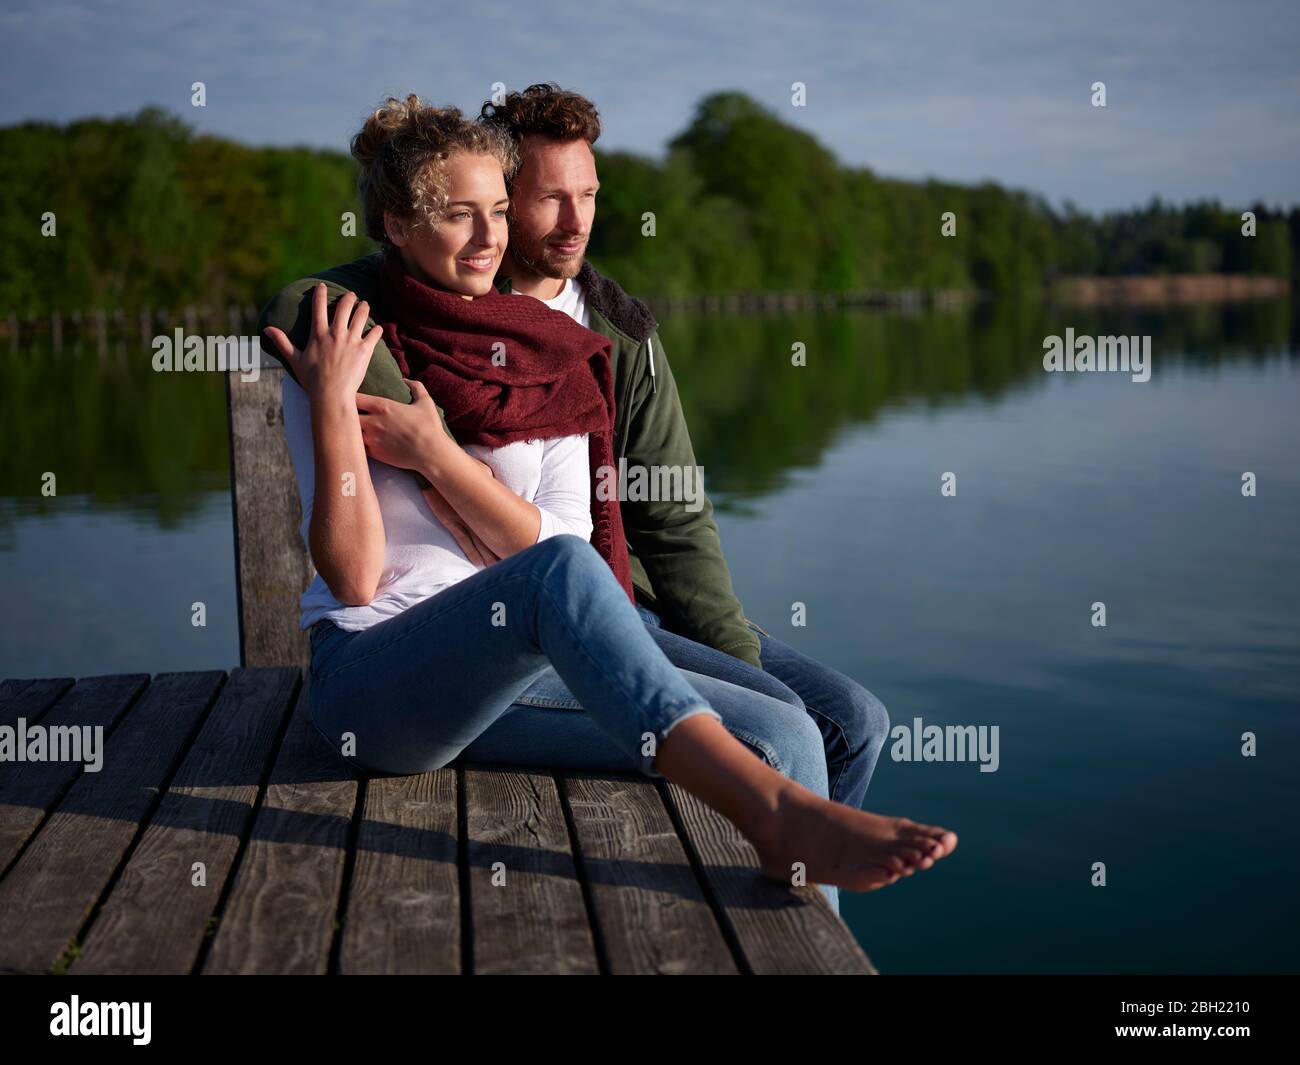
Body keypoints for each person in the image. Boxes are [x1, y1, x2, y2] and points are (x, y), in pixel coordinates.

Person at [260, 96, 957, 911]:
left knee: (806, 725)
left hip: (527, 657)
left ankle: (807, 927)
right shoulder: (346, 343)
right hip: (380, 682)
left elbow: (585, 547)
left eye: (493, 213)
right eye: (460, 216)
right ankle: (778, 824)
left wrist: (443, 462)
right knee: (768, 729)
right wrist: (335, 405)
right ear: (396, 225)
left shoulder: (557, 353)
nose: (488, 238)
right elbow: (354, 580)